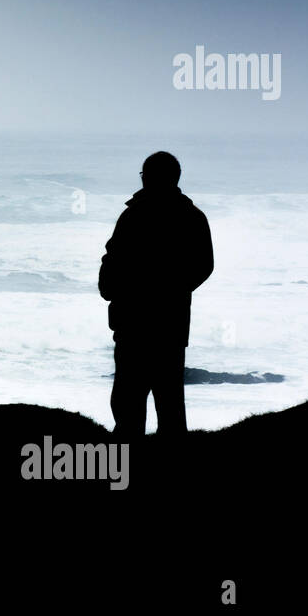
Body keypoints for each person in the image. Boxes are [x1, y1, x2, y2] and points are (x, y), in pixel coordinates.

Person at [98, 151, 214, 437]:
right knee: (169, 402)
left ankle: (126, 467)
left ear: (149, 176)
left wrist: (114, 289)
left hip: (134, 321)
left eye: (144, 174)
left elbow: (112, 259)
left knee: (129, 404)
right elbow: (204, 266)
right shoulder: (192, 216)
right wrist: (174, 290)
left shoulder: (134, 214)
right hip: (169, 323)